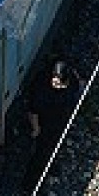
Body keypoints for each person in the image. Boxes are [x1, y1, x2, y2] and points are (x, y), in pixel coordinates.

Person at [24, 59, 82, 189]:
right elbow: (33, 110)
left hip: (60, 118)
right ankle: (31, 183)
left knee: (56, 144)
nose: (59, 86)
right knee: (41, 152)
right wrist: (36, 128)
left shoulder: (71, 79)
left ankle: (51, 164)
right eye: (57, 83)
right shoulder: (42, 88)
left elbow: (77, 85)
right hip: (44, 122)